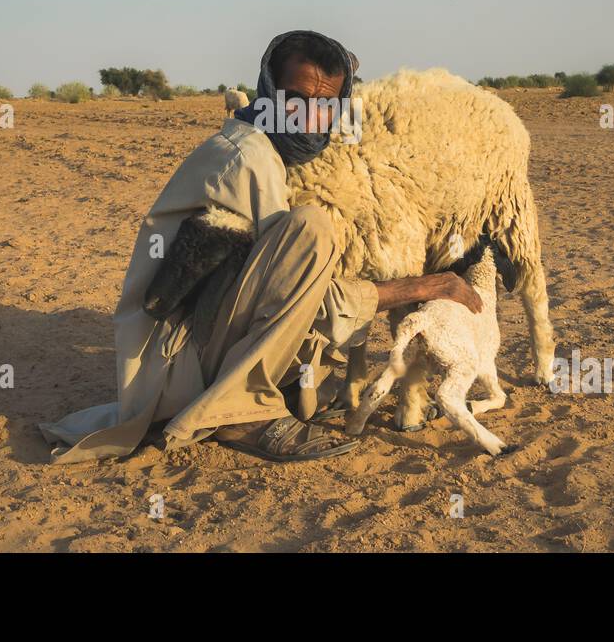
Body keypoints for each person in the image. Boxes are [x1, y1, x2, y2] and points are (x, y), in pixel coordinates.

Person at [39, 30, 481, 463]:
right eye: (296, 100)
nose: (310, 118)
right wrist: (423, 288)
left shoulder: (260, 149)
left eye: (326, 104)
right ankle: (242, 413)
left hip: (192, 347)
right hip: (176, 366)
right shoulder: (247, 159)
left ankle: (258, 390)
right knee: (311, 228)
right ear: (268, 93)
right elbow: (308, 295)